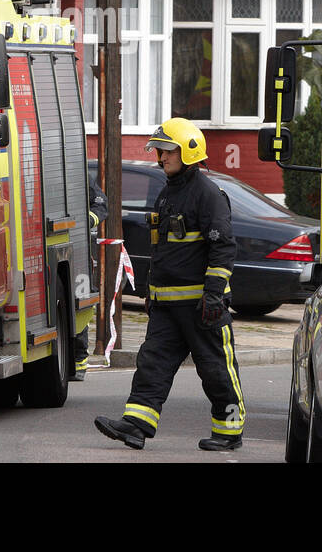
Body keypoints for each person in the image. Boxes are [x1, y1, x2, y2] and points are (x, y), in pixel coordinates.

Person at [94, 118, 246, 452]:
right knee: (152, 364)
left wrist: (213, 295)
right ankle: (136, 425)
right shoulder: (168, 193)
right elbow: (162, 249)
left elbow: (223, 247)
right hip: (166, 306)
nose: (160, 158)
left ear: (188, 152)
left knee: (216, 369)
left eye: (166, 151)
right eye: (159, 152)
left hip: (201, 308)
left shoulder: (208, 195)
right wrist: (151, 292)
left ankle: (229, 429)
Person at [71, 176, 110, 381]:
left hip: (80, 254)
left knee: (81, 306)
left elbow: (101, 205)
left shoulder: (81, 177)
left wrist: (86, 220)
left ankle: (79, 362)